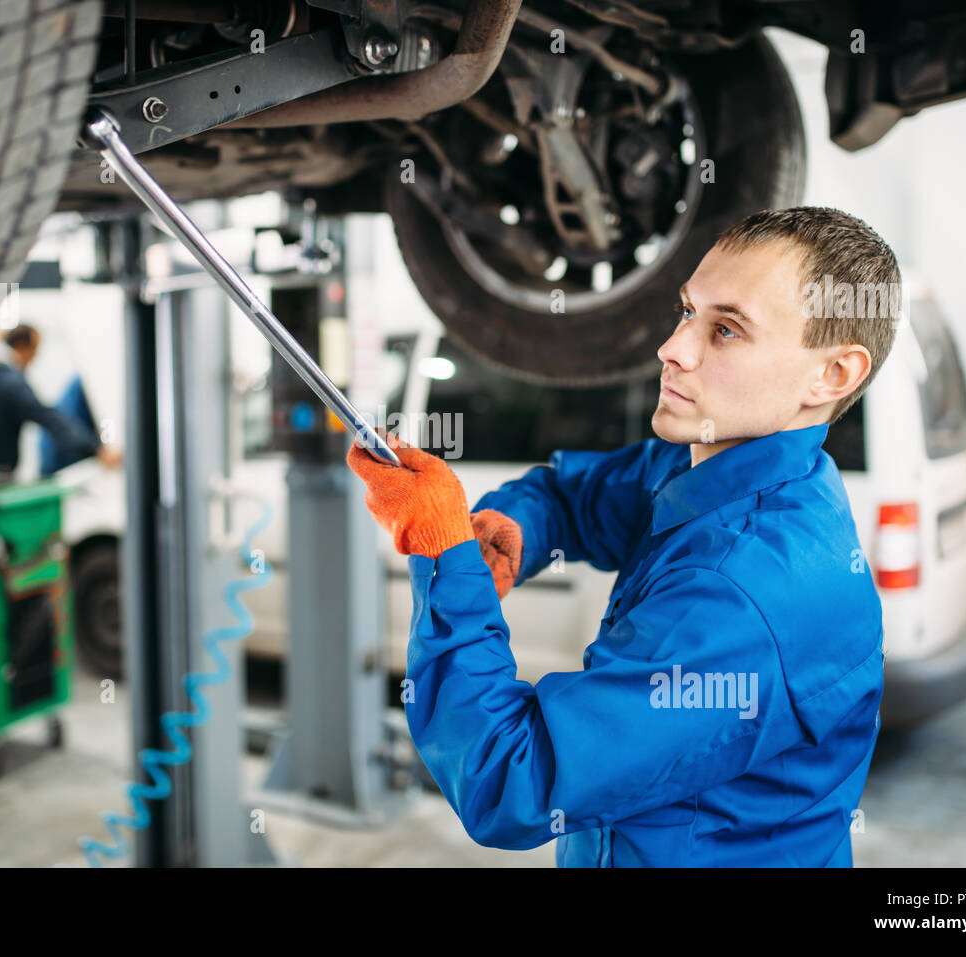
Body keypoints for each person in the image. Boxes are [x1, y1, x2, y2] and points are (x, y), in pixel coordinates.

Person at [347, 206, 898, 867]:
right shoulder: (716, 464)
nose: (673, 348)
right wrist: (520, 525)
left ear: (832, 375)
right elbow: (572, 497)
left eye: (725, 330)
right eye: (686, 310)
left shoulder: (745, 599)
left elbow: (508, 778)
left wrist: (440, 548)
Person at [0, 324, 121, 474]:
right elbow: (50, 419)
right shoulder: (10, 383)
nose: (35, 359)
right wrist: (96, 449)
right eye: (34, 351)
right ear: (20, 347)